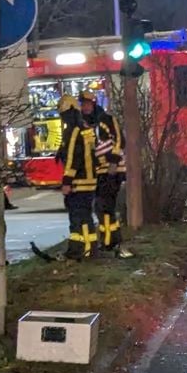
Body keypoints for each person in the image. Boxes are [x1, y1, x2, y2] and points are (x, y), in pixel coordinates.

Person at [79, 90, 130, 257]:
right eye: (82, 104)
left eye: (87, 104)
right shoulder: (87, 125)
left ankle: (111, 242)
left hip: (112, 171)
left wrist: (114, 163)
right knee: (103, 208)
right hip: (100, 172)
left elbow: (119, 140)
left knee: (104, 206)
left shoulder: (106, 119)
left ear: (93, 103)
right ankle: (110, 241)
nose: (84, 107)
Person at [58, 95, 99, 261]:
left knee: (78, 218)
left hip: (78, 183)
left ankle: (80, 251)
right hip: (89, 181)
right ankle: (89, 249)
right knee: (86, 216)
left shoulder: (74, 131)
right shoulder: (86, 129)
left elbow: (73, 158)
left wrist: (67, 181)